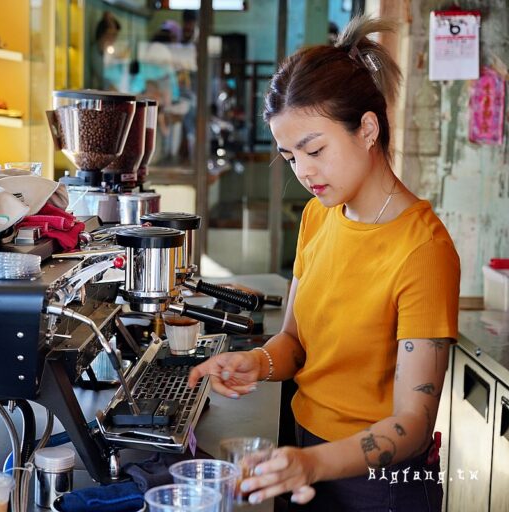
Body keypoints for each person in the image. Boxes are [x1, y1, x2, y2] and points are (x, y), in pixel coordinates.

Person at [188, 16, 460, 511]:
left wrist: (315, 463)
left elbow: (414, 424)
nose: (304, 171)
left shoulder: (423, 249)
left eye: (314, 149)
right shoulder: (319, 216)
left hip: (380, 485)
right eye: (290, 156)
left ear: (368, 129)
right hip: (302, 454)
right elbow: (295, 343)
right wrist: (256, 362)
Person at [88, 11, 120, 90]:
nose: (113, 39)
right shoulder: (96, 51)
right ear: (103, 34)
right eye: (111, 34)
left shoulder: (110, 51)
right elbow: (105, 79)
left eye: (115, 35)